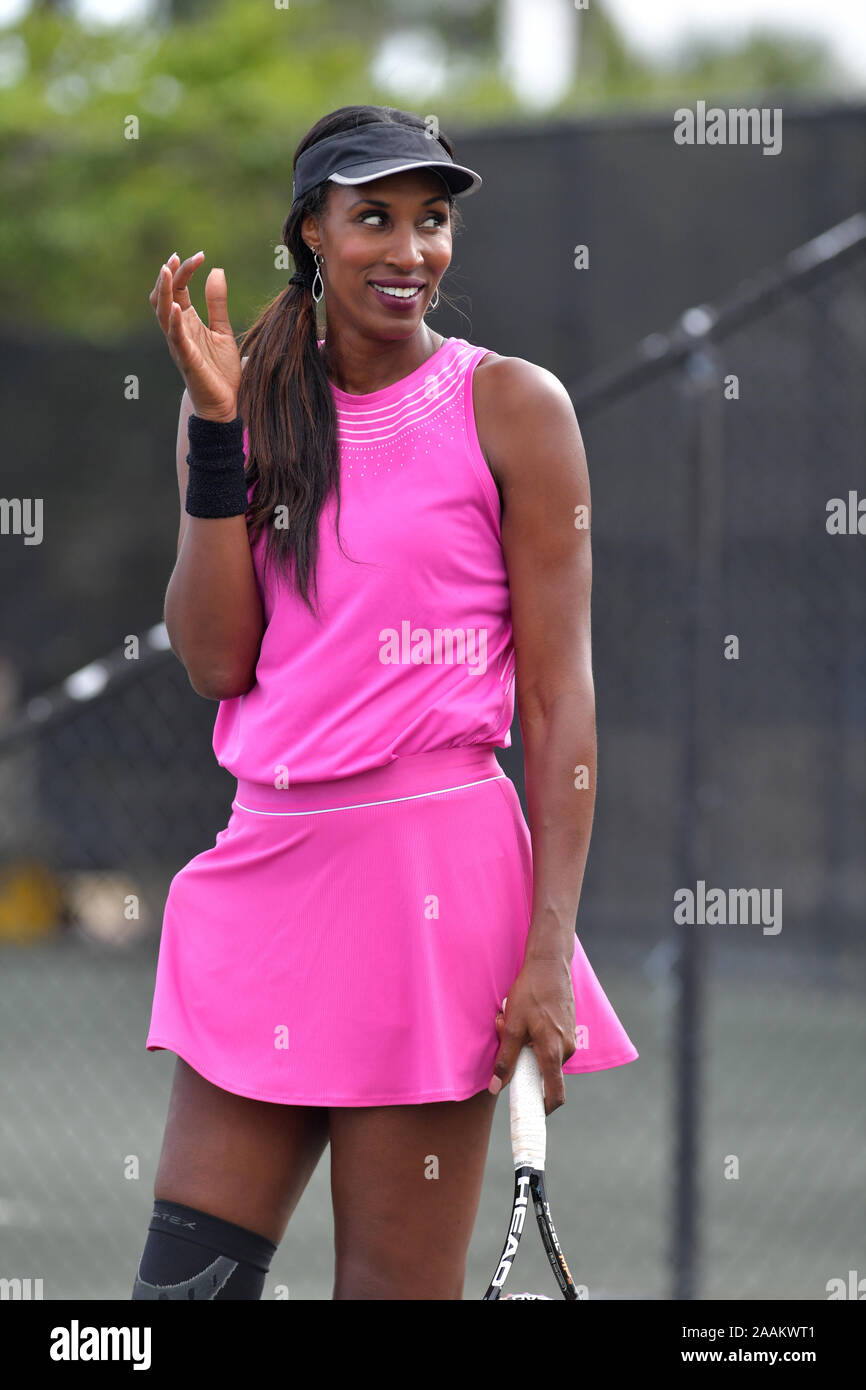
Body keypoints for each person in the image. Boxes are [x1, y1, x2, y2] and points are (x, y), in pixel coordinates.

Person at [134, 104, 638, 1302]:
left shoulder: (515, 407)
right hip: (268, 871)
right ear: (311, 230)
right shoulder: (239, 399)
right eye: (374, 218)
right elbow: (214, 661)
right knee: (176, 1298)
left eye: (432, 219)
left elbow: (561, 700)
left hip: (437, 894)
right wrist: (215, 436)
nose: (409, 249)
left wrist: (547, 954)